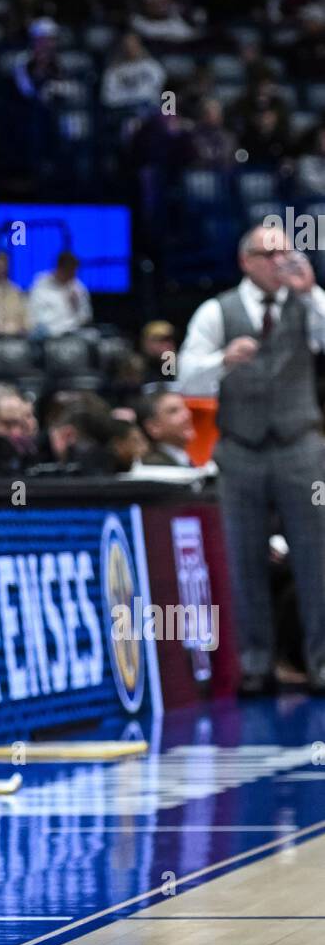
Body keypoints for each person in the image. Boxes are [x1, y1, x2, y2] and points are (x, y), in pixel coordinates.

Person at [177, 224, 325, 696]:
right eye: (269, 254)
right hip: (239, 448)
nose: (280, 262)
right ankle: (255, 666)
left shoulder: (307, 302)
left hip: (300, 445)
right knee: (244, 560)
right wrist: (222, 360)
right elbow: (185, 378)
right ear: (246, 261)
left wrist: (311, 291)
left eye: (286, 252)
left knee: (316, 558)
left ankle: (321, 664)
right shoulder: (217, 311)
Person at [28, 250, 92, 336]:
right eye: (70, 272)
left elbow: (86, 317)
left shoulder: (78, 287)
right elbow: (34, 315)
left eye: (74, 272)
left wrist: (76, 305)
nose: (73, 276)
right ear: (60, 269)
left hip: (73, 332)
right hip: (47, 332)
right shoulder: (41, 284)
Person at [137, 389, 195, 466]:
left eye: (184, 408)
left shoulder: (182, 458)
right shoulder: (154, 466)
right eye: (174, 411)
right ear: (154, 427)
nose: (187, 415)